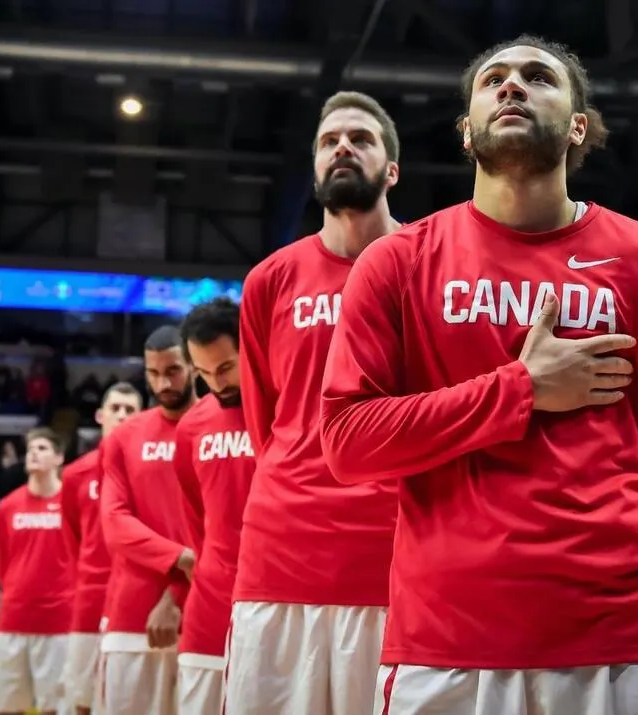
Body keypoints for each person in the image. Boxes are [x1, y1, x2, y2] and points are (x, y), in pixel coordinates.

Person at [320, 35, 638, 715]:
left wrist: (624, 548)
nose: (512, 86)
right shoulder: (394, 263)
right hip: (447, 642)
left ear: (577, 125)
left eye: (538, 76)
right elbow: (346, 440)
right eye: (493, 79)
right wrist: (519, 390)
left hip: (628, 639)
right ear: (466, 130)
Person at [229, 90, 402, 715]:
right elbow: (266, 419)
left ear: (392, 169)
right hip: (281, 557)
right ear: (315, 168)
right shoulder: (271, 279)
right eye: (329, 142)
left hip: (394, 561)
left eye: (360, 139)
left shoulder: (429, 268)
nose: (343, 149)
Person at [99, 326, 197, 715]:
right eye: (153, 373)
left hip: (200, 612)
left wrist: (176, 596)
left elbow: (228, 530)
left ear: (192, 365)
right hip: (129, 616)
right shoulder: (125, 437)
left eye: (172, 370)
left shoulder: (223, 427)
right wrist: (183, 559)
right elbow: (115, 523)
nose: (163, 382)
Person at [172, 298, 255, 714]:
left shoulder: (287, 412)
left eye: (224, 368)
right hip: (209, 608)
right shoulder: (190, 429)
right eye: (202, 374)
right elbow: (195, 523)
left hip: (273, 605)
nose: (216, 384)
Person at [61, 382, 143, 715]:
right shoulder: (75, 475)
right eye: (115, 408)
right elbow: (72, 539)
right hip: (89, 600)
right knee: (81, 699)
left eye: (130, 410)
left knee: (125, 702)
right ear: (100, 415)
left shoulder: (150, 468)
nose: (122, 415)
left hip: (134, 598)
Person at [0, 428, 72, 715]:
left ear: (59, 457)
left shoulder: (72, 503)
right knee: (5, 708)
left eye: (43, 448)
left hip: (59, 622)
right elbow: (2, 563)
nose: (33, 453)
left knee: (55, 708)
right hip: (13, 618)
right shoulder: (8, 506)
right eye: (31, 448)